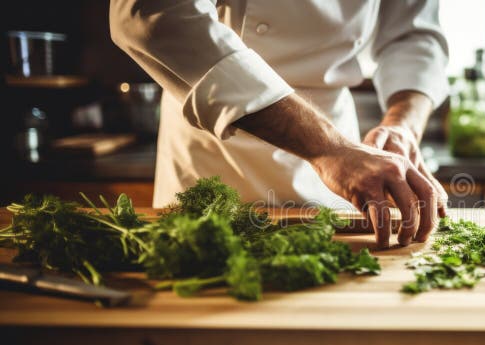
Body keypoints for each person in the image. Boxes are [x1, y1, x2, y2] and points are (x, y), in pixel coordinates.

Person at [109, 0, 449, 248]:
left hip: (338, 170)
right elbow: (152, 14)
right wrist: (330, 148)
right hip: (214, 146)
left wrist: (401, 125)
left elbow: (414, 35)